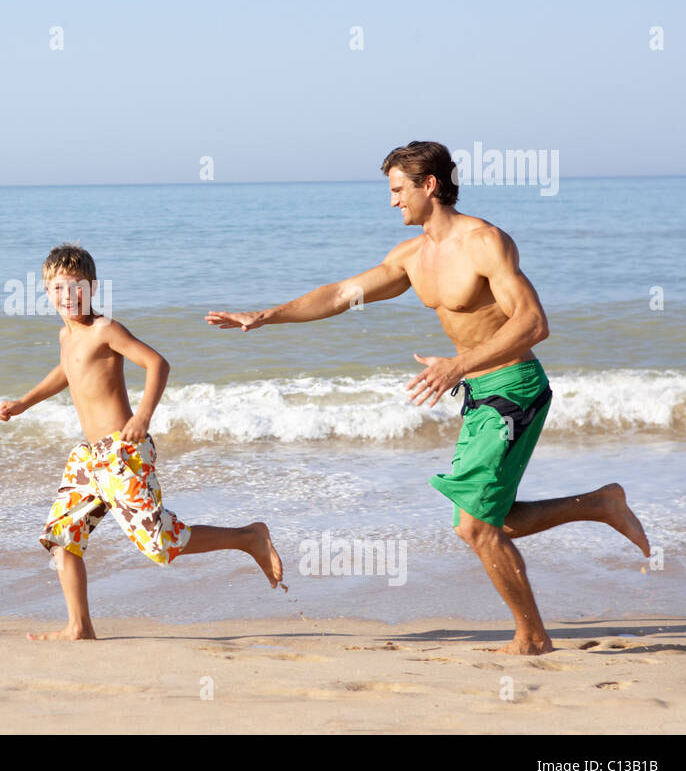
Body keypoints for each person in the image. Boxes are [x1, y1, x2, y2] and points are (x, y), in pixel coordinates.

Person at [206, 141, 649, 655]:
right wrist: (264, 315)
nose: (393, 201)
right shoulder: (412, 256)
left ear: (429, 185)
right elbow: (341, 293)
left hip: (514, 388)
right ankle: (600, 503)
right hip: (480, 391)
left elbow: (534, 323)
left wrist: (457, 365)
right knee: (493, 518)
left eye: (398, 190)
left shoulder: (485, 242)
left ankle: (532, 638)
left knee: (475, 528)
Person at [0, 243, 283, 641]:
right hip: (88, 459)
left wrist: (142, 416)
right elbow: (67, 371)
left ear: (93, 288)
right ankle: (79, 626)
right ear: (46, 292)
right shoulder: (67, 335)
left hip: (122, 453)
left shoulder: (105, 329)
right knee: (61, 536)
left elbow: (157, 363)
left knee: (160, 545)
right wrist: (24, 402)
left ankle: (248, 537)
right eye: (58, 289)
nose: (68, 297)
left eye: (76, 288)